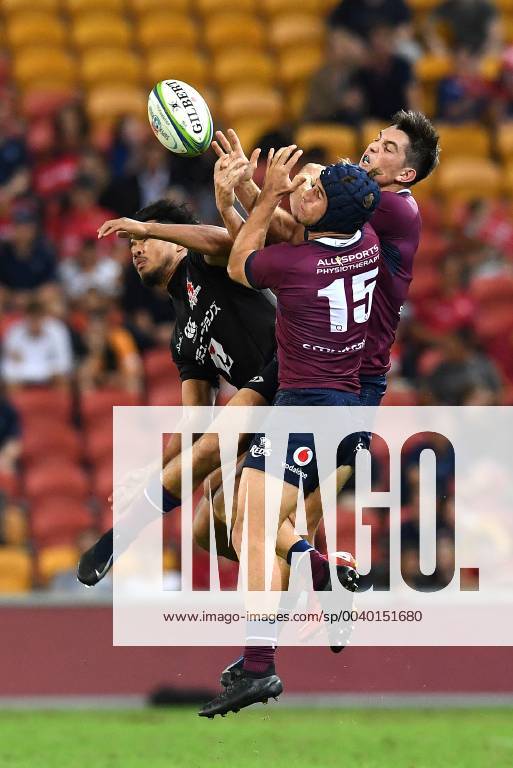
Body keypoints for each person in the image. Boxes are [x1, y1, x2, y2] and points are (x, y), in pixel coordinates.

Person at [198, 149, 382, 718]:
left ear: (327, 217)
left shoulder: (297, 269)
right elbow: (294, 230)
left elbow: (239, 264)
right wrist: (259, 195)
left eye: (317, 190)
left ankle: (260, 666)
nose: (307, 189)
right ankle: (323, 574)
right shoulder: (367, 244)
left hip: (302, 409)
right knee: (252, 519)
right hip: (346, 409)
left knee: (248, 526)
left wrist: (263, 194)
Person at [77, 198, 278, 585]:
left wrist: (149, 226)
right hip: (265, 410)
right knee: (208, 523)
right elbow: (195, 418)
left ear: (178, 242)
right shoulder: (181, 338)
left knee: (216, 445)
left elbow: (223, 242)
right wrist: (153, 471)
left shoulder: (203, 264)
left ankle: (122, 536)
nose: (136, 247)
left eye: (144, 237)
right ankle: (312, 570)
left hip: (294, 376)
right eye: (132, 242)